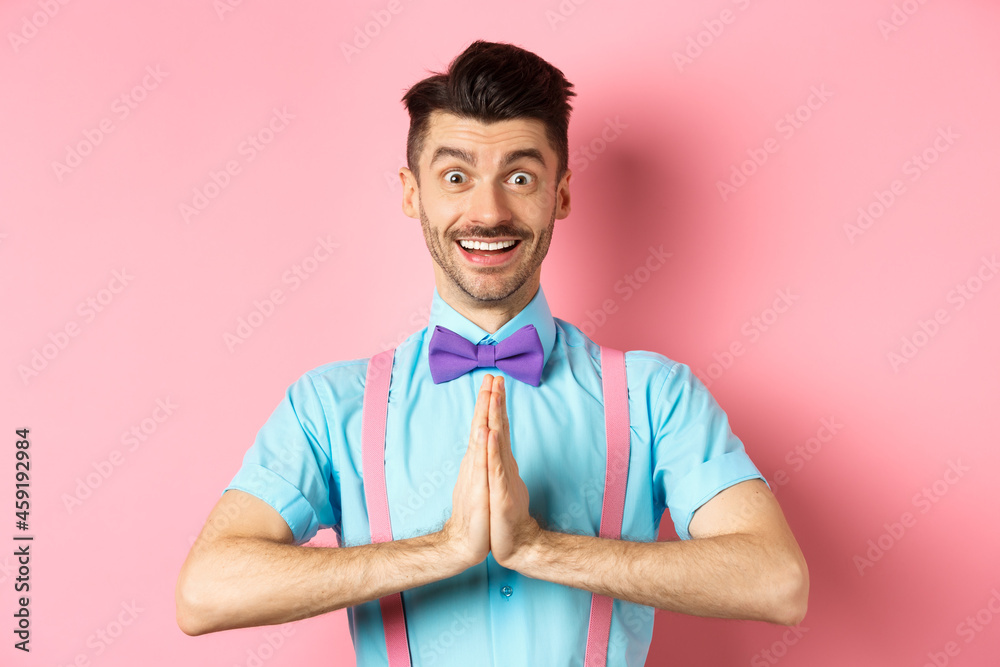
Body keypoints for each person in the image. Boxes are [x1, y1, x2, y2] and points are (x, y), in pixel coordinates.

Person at [175, 39, 808, 665]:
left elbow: (777, 582)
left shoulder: (655, 394)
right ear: (411, 192)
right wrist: (444, 550)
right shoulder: (329, 404)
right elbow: (206, 593)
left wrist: (540, 548)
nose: (488, 211)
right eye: (456, 177)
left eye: (520, 177)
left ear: (559, 194)